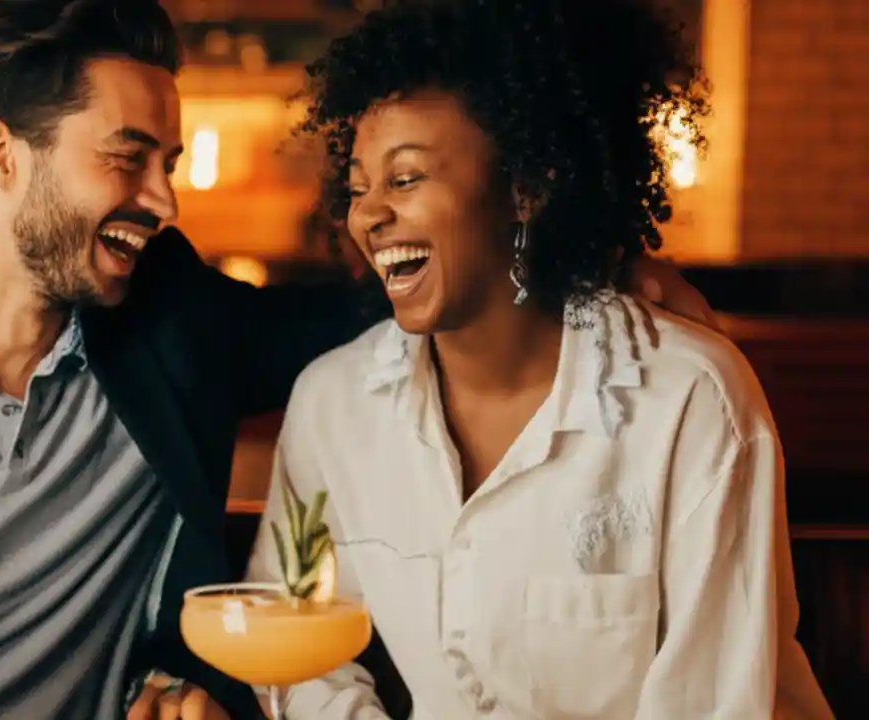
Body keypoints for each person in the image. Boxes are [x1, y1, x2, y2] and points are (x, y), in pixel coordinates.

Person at [0, 1, 715, 718]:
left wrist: (585, 272)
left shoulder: (169, 320)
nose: (165, 199)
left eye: (169, 159)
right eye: (128, 157)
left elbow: (386, 306)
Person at [246, 1, 834, 719]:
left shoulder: (687, 401)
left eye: (405, 180)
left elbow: (715, 702)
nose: (368, 215)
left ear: (527, 187)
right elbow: (291, 632)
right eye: (359, 187)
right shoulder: (333, 406)